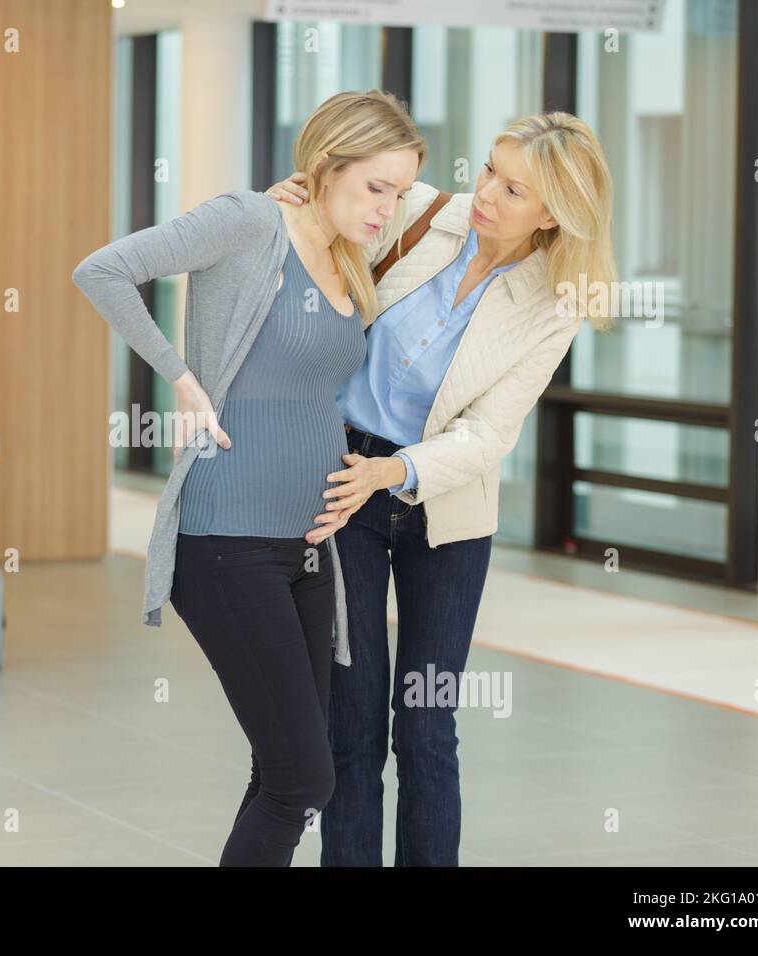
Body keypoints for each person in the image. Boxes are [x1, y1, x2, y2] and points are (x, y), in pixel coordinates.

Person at [74, 91, 426, 866]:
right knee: (306, 778)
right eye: (376, 186)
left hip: (306, 548)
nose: (389, 207)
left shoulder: (345, 254)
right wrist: (179, 375)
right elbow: (102, 269)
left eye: (400, 193)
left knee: (283, 772)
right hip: (227, 544)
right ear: (328, 164)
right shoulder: (246, 221)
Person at [266, 111, 616, 866]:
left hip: (443, 510)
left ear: (552, 213)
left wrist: (395, 472)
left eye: (514, 187)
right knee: (351, 725)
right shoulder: (421, 213)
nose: (486, 192)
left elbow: (490, 434)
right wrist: (285, 203)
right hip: (342, 489)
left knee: (427, 726)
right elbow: (313, 238)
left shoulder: (556, 303)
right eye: (490, 169)